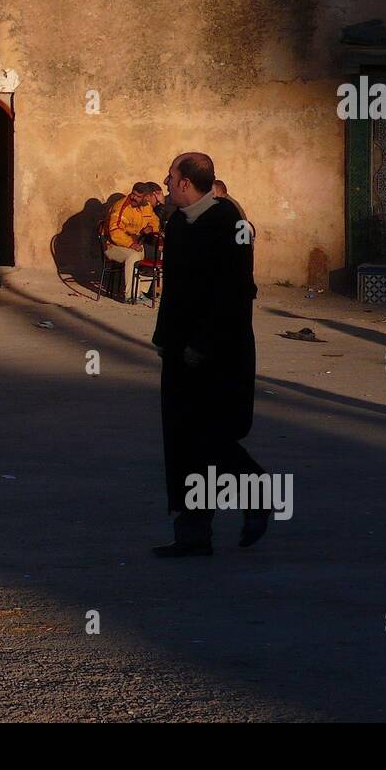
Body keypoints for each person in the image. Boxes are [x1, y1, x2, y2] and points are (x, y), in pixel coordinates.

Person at [151, 152, 269, 557]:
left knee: (212, 437)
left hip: (220, 353)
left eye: (171, 177)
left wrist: (203, 345)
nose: (165, 183)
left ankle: (257, 494)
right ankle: (193, 534)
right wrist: (165, 339)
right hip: (179, 352)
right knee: (183, 441)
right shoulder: (178, 223)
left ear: (186, 183)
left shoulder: (229, 225)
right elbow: (174, 292)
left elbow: (235, 294)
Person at [105, 182, 161, 303]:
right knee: (134, 255)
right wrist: (130, 244)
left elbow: (155, 221)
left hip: (135, 244)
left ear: (146, 197)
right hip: (112, 247)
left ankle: (140, 291)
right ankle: (130, 295)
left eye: (138, 196)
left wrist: (151, 228)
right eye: (133, 194)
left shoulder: (147, 206)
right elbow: (115, 232)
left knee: (155, 253)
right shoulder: (121, 207)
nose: (133, 198)